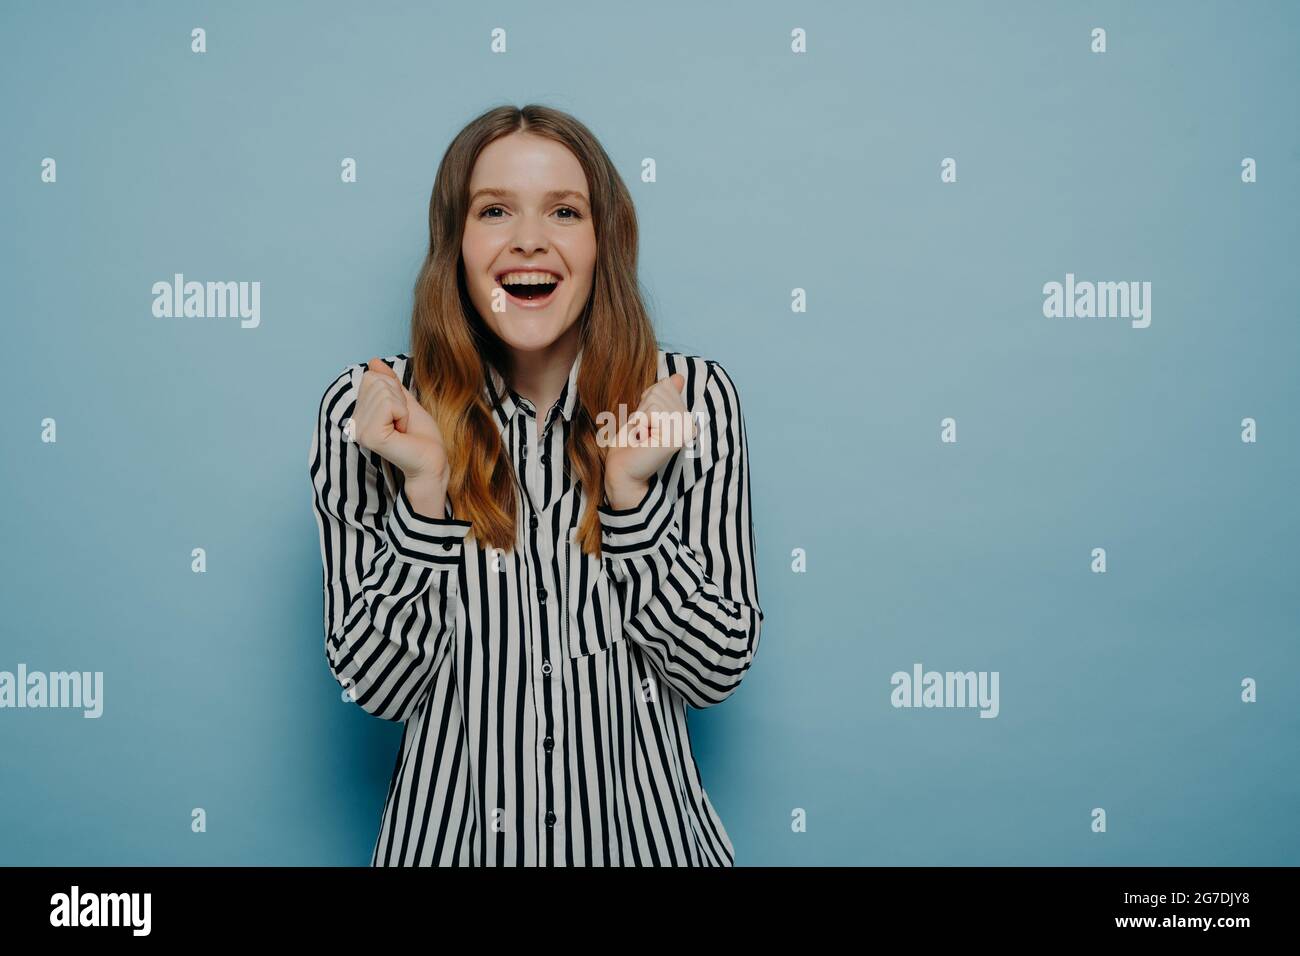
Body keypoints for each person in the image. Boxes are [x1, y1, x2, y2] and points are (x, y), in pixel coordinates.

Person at [309, 103, 763, 865]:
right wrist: (425, 498)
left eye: (564, 211)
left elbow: (716, 666)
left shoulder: (691, 400)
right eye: (494, 211)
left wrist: (631, 504)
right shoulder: (375, 414)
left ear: (602, 243)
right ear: (454, 244)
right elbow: (372, 689)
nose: (529, 240)